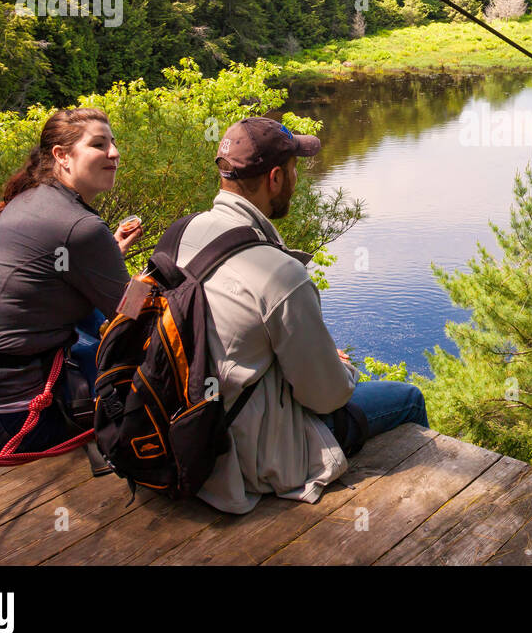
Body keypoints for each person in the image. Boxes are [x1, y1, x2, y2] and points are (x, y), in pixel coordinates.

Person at [179, 116, 428, 514]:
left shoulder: (182, 233)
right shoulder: (279, 274)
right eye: (295, 169)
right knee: (408, 399)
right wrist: (340, 367)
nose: (299, 179)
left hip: (181, 427)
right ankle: (418, 516)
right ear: (275, 178)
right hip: (246, 457)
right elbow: (327, 397)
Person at [0, 108, 144, 452]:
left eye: (113, 143)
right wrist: (155, 280)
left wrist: (109, 252)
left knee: (89, 320)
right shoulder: (81, 227)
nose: (114, 153)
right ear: (62, 156)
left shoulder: (29, 199)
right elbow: (133, 315)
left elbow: (46, 275)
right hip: (4, 417)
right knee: (137, 381)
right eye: (99, 145)